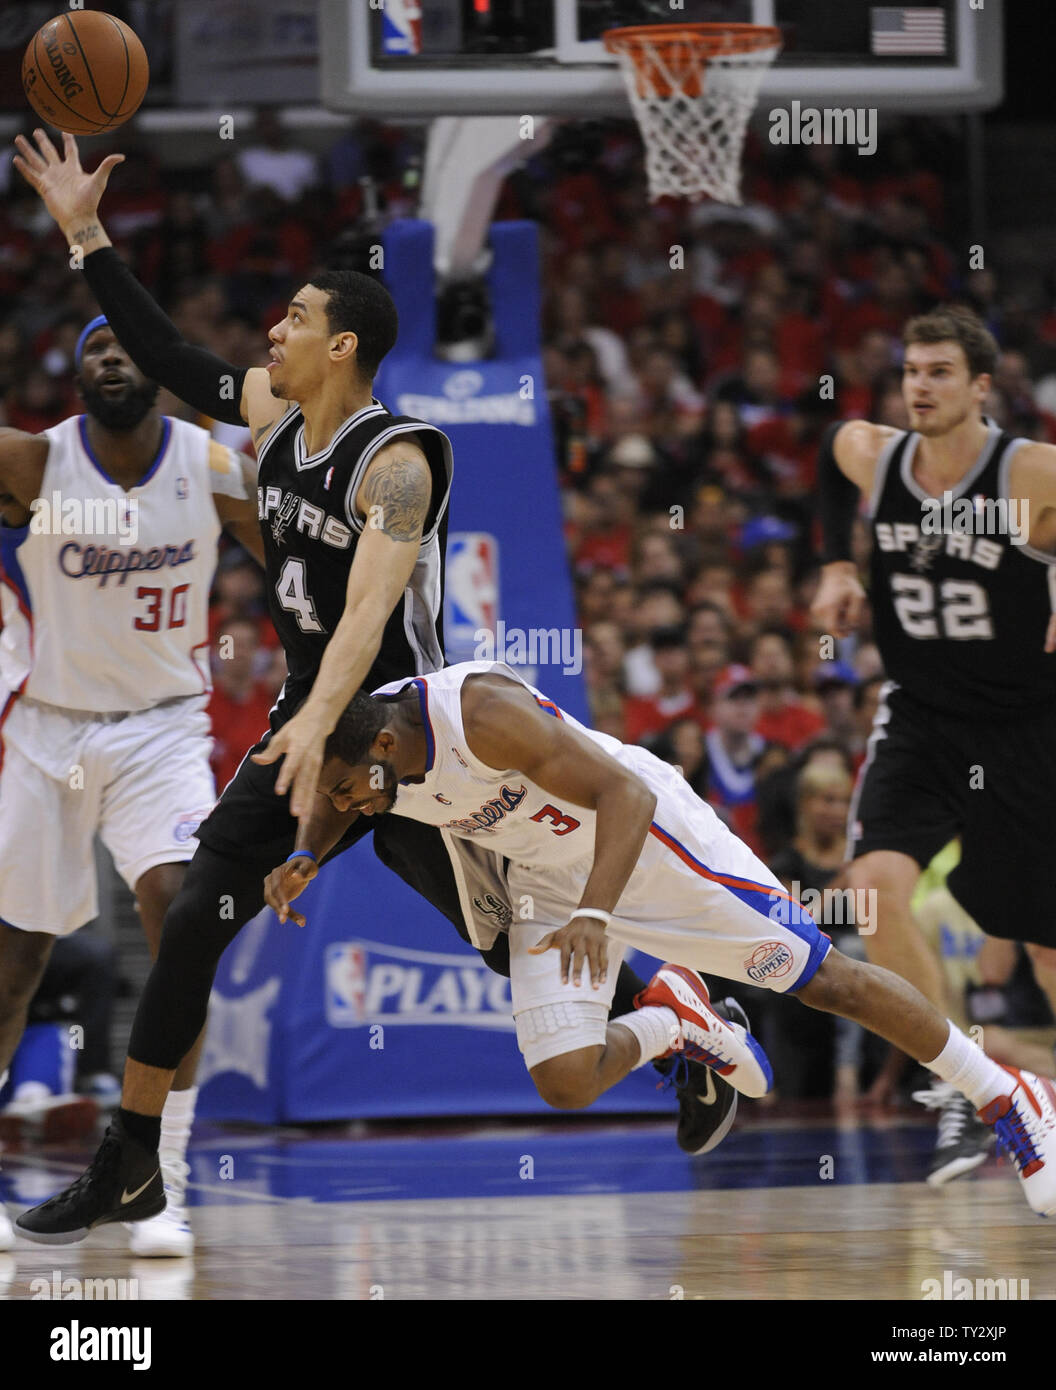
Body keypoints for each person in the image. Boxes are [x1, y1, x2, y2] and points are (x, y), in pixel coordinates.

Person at [10, 131, 733, 1245]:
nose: (272, 331)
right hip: (319, 722)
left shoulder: (399, 460)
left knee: (501, 942)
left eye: (293, 319)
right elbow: (162, 350)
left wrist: (307, 733)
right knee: (198, 915)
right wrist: (84, 231)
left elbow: (365, 623)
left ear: (340, 345)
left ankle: (676, 1015)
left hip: (413, 736)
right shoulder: (273, 417)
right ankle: (135, 1160)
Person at [252, 660, 1056, 1222]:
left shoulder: (479, 715)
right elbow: (332, 788)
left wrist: (599, 917)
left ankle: (1004, 1094)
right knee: (565, 1080)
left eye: (352, 789)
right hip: (546, 878)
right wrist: (302, 854)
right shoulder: (362, 752)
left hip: (645, 842)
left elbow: (624, 793)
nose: (348, 805)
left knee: (826, 979)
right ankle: (678, 1020)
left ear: (385, 748)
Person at [0, 317, 262, 1256]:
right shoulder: (33, 465)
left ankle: (163, 1183)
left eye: (125, 346)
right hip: (47, 728)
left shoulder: (216, 467)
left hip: (162, 726)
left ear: (160, 367)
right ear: (77, 379)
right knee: (15, 960)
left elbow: (302, 565)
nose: (111, 359)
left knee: (180, 917)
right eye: (92, 351)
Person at [810, 303, 1056, 1182]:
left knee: (1041, 944)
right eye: (912, 371)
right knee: (869, 891)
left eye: (940, 371)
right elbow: (830, 456)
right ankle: (966, 1089)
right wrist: (838, 564)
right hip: (920, 717)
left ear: (982, 387)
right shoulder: (876, 458)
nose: (920, 385)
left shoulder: (1028, 472)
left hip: (1028, 727)